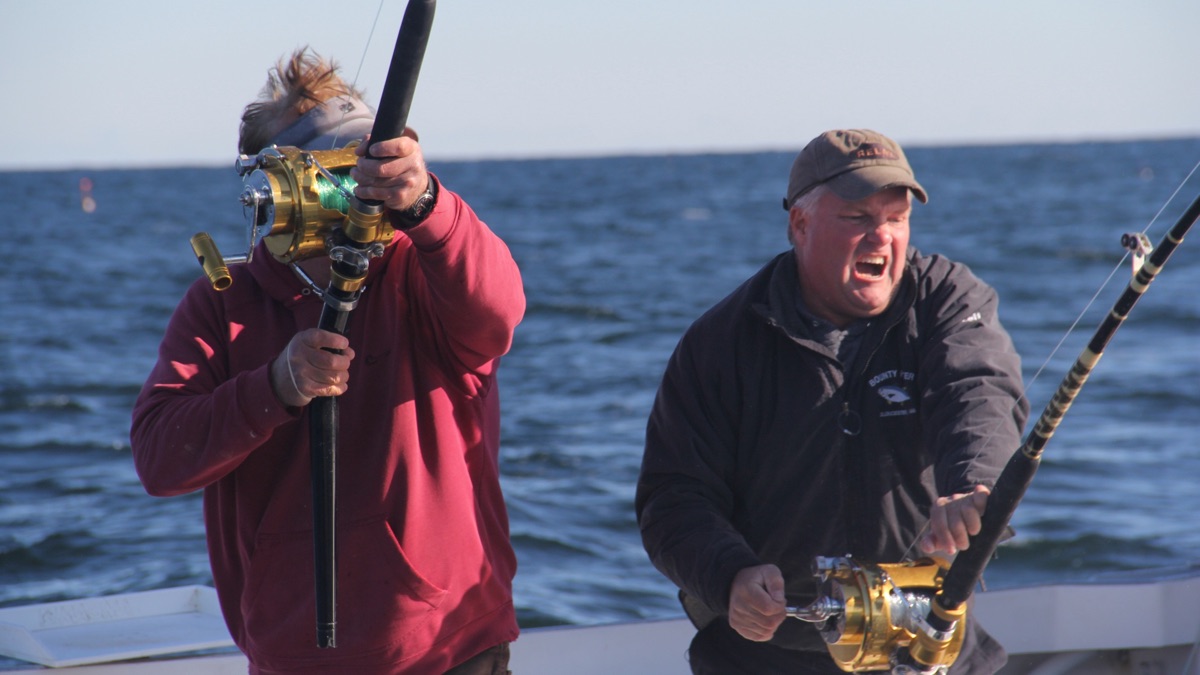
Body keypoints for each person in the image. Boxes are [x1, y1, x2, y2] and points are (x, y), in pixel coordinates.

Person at [131, 48, 525, 675]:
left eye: (374, 162)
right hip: (297, 656)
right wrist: (274, 388)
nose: (365, 186)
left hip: (454, 648)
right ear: (276, 190)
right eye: (341, 168)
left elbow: (498, 312)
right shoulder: (220, 305)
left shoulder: (428, 272)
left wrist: (427, 205)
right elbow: (158, 458)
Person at [635, 129, 1029, 674]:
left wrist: (973, 484)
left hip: (927, 641)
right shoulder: (720, 342)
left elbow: (979, 390)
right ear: (800, 224)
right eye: (857, 218)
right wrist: (729, 575)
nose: (881, 237)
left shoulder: (947, 299)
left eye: (895, 219)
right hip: (766, 656)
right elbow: (673, 498)